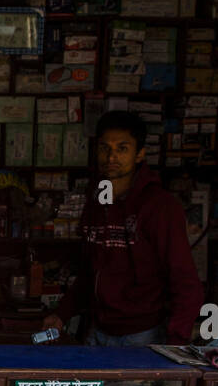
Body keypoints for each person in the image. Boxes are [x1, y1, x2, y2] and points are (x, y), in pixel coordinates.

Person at [43, 111, 204, 346]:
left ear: (139, 154)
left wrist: (175, 343)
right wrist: (61, 314)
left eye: (122, 148)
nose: (111, 157)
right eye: (105, 148)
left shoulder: (159, 206)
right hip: (97, 331)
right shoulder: (97, 202)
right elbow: (90, 272)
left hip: (143, 334)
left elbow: (186, 282)